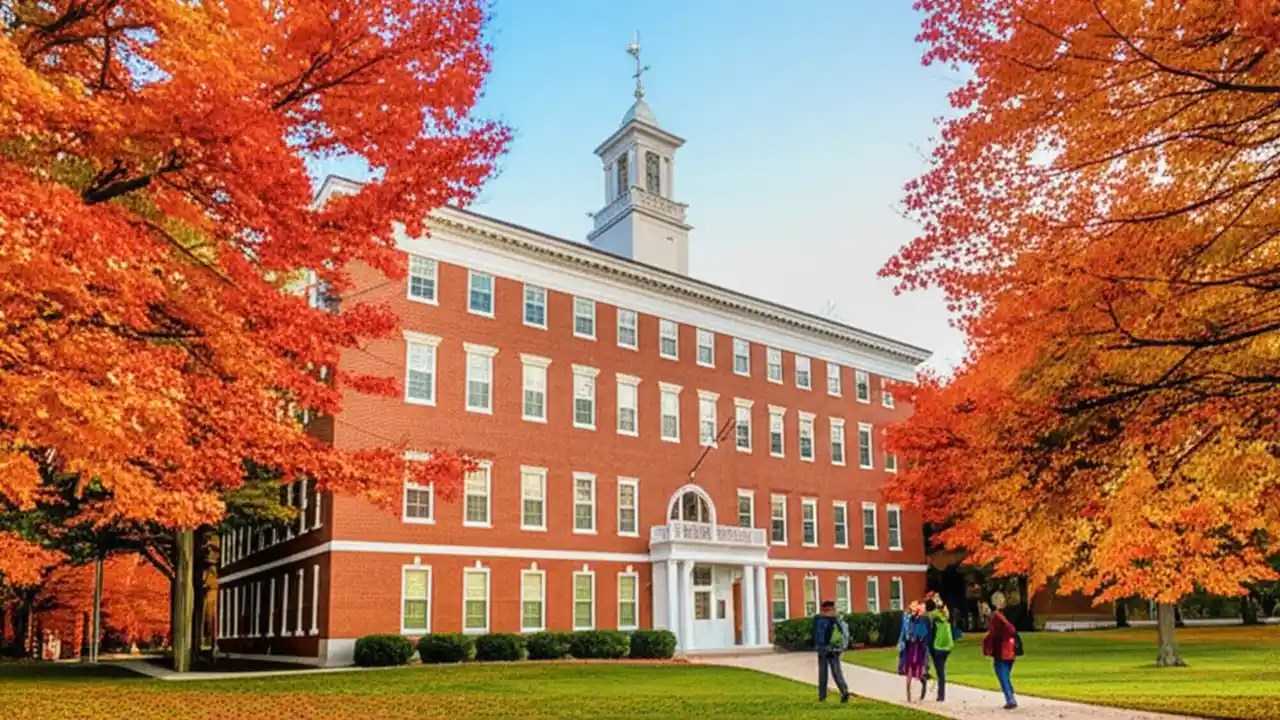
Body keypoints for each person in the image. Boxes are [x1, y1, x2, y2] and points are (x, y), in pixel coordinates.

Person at [982, 591, 1019, 710]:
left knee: (1002, 674)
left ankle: (1010, 698)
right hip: (1011, 647)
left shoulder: (996, 617)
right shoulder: (1009, 614)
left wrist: (987, 643)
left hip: (1001, 649)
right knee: (1005, 674)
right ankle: (1010, 695)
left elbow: (993, 633)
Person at [812, 600, 850, 703]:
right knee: (836, 671)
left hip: (822, 648)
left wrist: (817, 645)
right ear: (831, 609)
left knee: (822, 672)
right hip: (834, 649)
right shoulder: (835, 620)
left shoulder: (818, 619)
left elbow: (815, 634)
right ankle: (844, 691)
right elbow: (843, 633)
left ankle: (822, 696)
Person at [898, 601, 930, 703]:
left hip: (920, 649)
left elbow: (925, 634)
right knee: (909, 673)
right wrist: (905, 639)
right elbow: (906, 631)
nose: (918, 610)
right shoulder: (910, 618)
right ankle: (909, 697)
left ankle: (923, 681)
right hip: (910, 649)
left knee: (918, 673)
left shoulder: (925, 620)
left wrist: (918, 637)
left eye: (919, 608)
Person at [926, 596, 955, 702]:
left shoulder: (931, 617)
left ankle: (941, 695)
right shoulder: (943, 615)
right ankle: (940, 692)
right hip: (947, 646)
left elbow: (929, 634)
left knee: (940, 671)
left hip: (937, 647)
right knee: (941, 670)